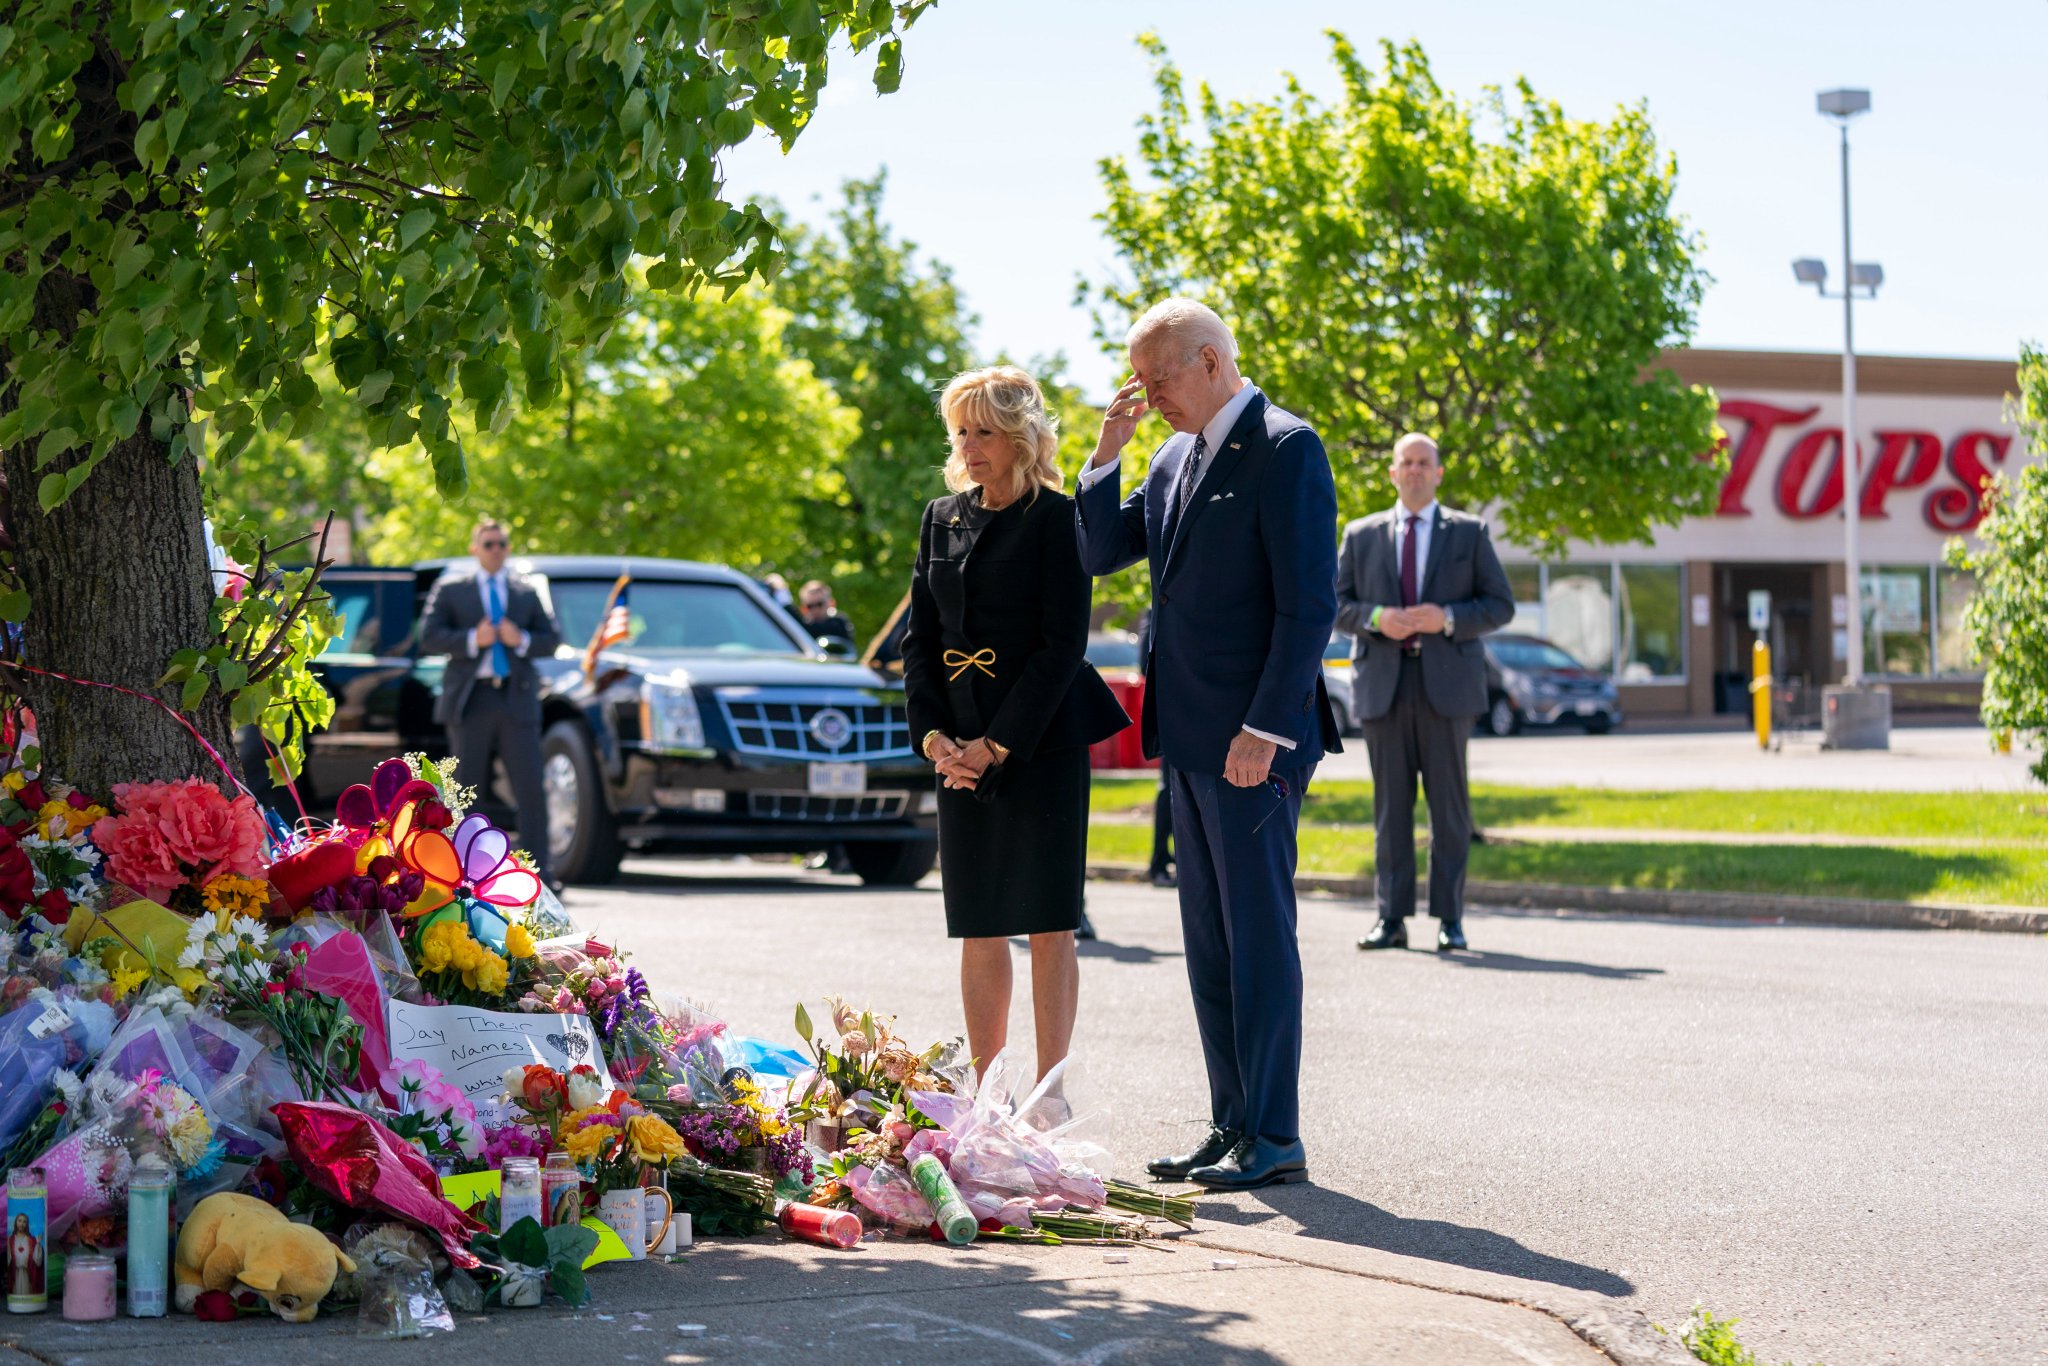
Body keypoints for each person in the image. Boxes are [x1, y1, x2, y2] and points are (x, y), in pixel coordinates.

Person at [1077, 298, 1340, 1191]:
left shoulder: (1286, 446)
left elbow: (1311, 605)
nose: (1147, 396)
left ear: (1212, 361)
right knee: (1211, 944)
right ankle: (1231, 1125)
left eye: (1158, 379)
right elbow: (1099, 548)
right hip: (1189, 738)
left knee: (1258, 938)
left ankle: (1277, 1137)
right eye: (1139, 383)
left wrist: (1266, 727)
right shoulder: (1168, 452)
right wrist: (1106, 456)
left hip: (1252, 740)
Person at [902, 365, 1129, 1083]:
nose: (970, 446)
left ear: (1022, 437)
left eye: (986, 432)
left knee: (1049, 920)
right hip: (957, 745)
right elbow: (920, 641)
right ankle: (987, 1089)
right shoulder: (942, 517)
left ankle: (1048, 1089)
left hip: (1039, 741)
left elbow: (1064, 646)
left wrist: (996, 746)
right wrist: (938, 740)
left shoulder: (1060, 520)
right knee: (978, 918)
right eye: (961, 431)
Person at [1336, 434, 1514, 952]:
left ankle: (1450, 919)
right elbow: (1335, 603)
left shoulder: (1470, 532)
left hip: (1447, 689)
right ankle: (1390, 919)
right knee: (1391, 810)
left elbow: (1499, 605)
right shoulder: (1361, 534)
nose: (1414, 471)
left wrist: (1450, 618)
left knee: (1449, 810)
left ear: (1438, 473)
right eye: (1406, 463)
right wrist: (1376, 618)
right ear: (1392, 473)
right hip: (1383, 687)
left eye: (1424, 463)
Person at [419, 519, 566, 890]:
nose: (496, 550)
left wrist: (522, 639)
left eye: (501, 543)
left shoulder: (524, 590)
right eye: (489, 544)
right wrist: (473, 638)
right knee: (466, 789)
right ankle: (461, 874)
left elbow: (551, 639)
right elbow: (430, 636)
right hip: (472, 699)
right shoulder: (453, 588)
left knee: (531, 786)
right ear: (475, 548)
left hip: (516, 697)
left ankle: (540, 873)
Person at [797, 580, 857, 649]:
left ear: (831, 603)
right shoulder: (800, 626)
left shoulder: (838, 623)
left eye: (819, 604)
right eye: (810, 606)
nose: (815, 610)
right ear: (803, 608)